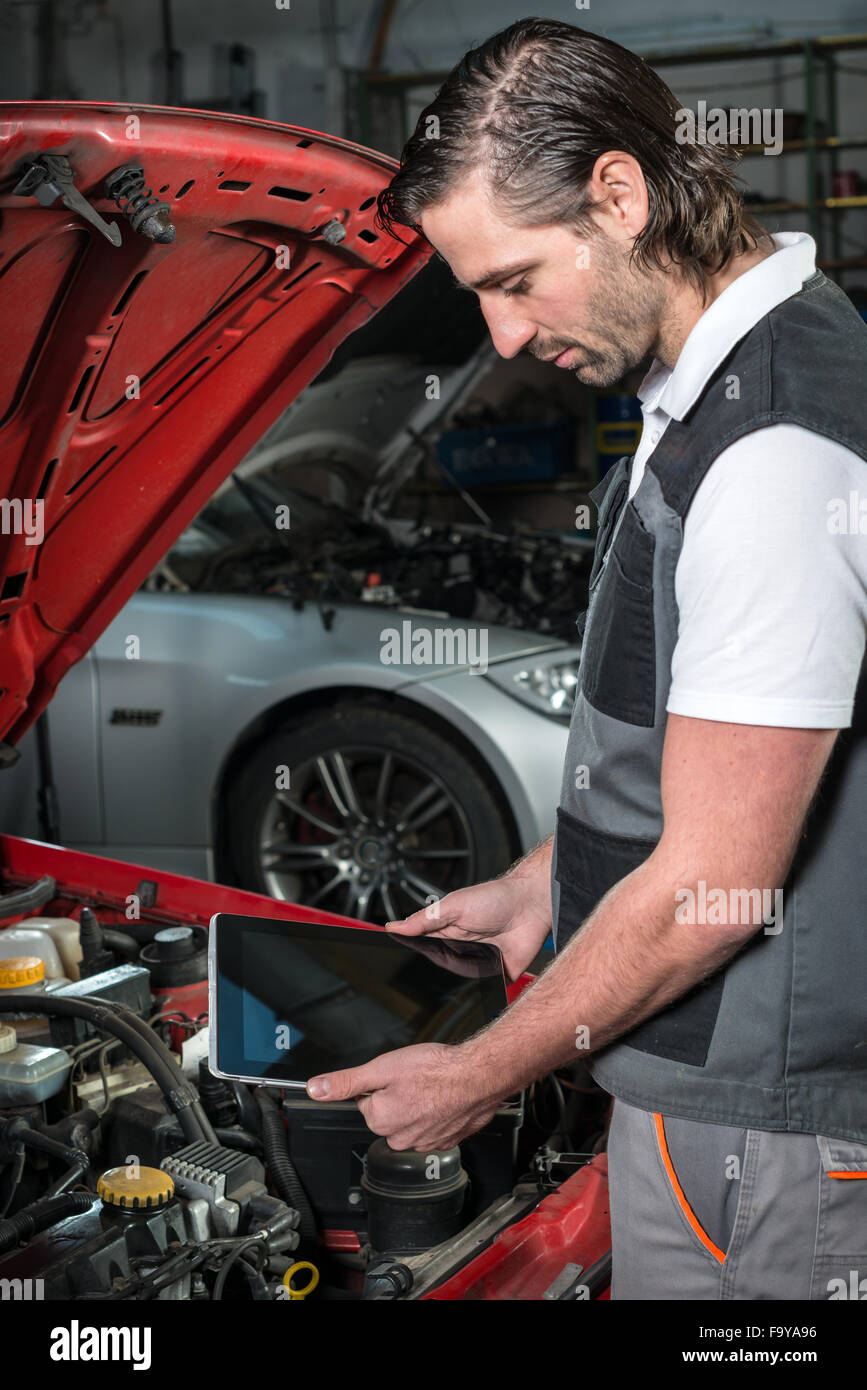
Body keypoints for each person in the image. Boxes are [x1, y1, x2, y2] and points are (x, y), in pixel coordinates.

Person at [307, 18, 867, 1299]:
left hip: (758, 1138)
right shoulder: (721, 391)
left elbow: (713, 879)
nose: (503, 337)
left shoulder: (773, 460)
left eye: (515, 280)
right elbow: (708, 765)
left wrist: (479, 1073)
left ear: (619, 195)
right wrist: (543, 888)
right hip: (710, 1095)